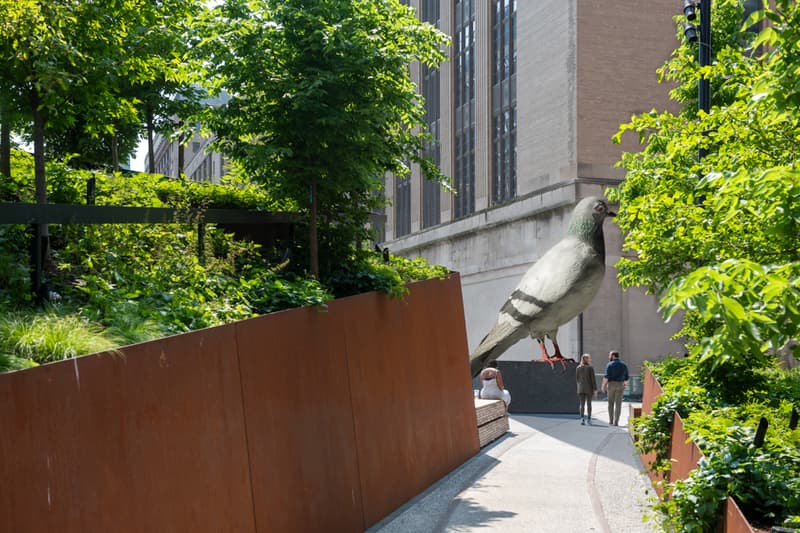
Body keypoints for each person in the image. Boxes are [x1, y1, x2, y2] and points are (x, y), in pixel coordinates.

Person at [601, 350, 629, 426]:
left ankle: (611, 420)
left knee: (610, 403)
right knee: (618, 404)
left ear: (613, 356)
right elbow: (626, 377)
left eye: (609, 355)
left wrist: (603, 386)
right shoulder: (623, 365)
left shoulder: (609, 364)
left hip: (611, 384)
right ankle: (616, 422)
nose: (609, 357)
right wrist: (624, 385)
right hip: (620, 384)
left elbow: (606, 377)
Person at [575, 353, 598, 425]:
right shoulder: (590, 368)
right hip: (589, 389)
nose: (590, 359)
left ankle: (582, 419)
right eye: (589, 358)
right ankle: (589, 419)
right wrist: (595, 389)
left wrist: (579, 386)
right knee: (589, 404)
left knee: (581, 404)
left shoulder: (578, 367)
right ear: (586, 359)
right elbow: (593, 380)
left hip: (581, 388)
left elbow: (577, 379)